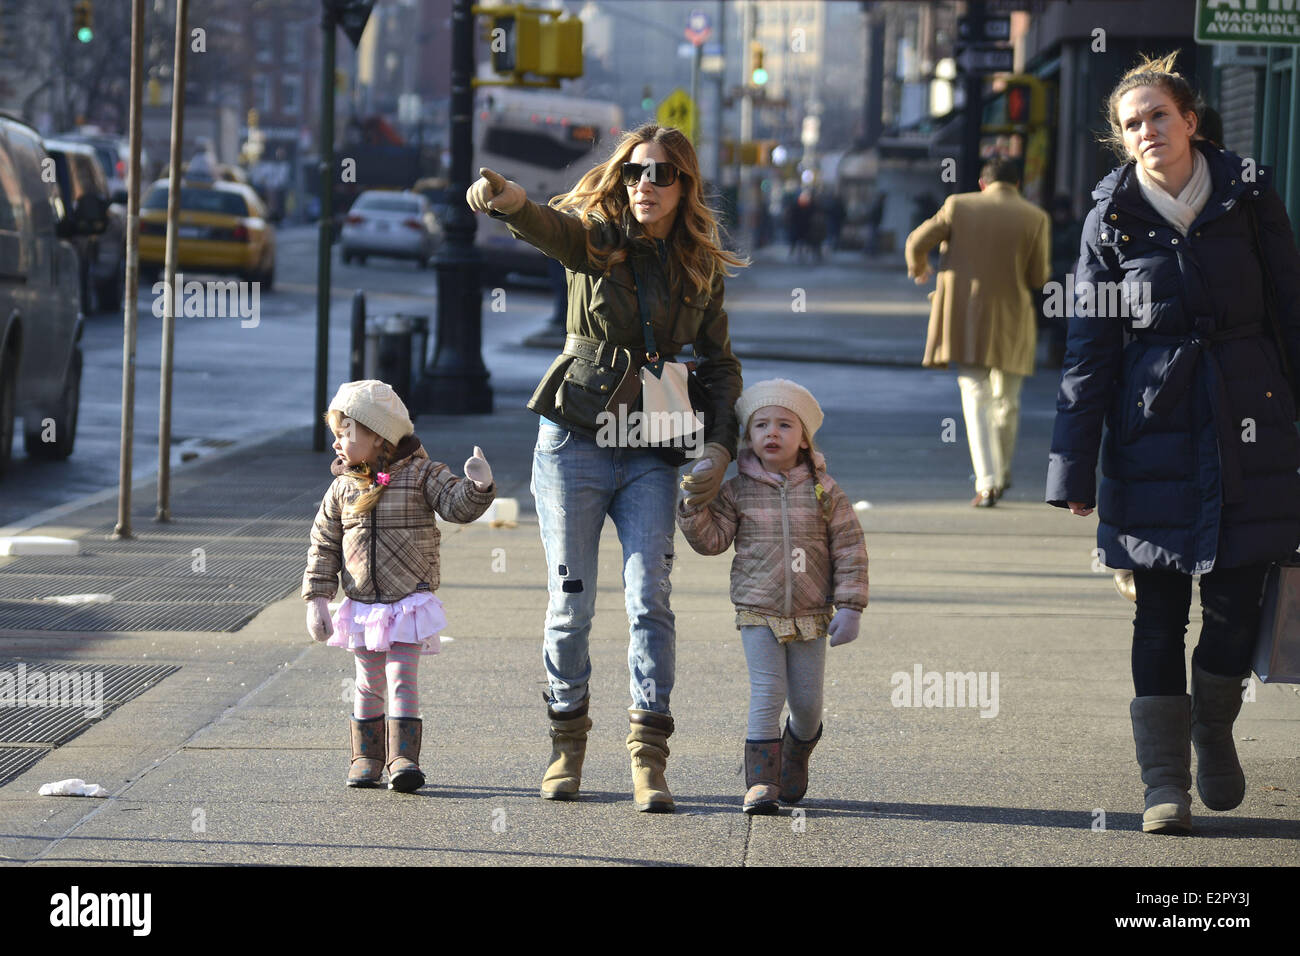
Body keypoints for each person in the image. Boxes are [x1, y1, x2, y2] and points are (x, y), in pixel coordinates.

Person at [1046, 52, 1300, 834]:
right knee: (1157, 614)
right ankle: (1164, 782)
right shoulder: (1107, 221)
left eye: (1159, 115)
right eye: (1132, 124)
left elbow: (1292, 314)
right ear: (1122, 141)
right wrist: (1072, 465)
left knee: (1234, 606)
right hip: (1149, 432)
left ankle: (1213, 730)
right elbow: (1090, 348)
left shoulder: (1251, 198)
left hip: (1249, 425)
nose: (1148, 131)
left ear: (1190, 120)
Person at [465, 124, 748, 812]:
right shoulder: (596, 237)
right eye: (635, 172)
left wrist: (720, 447)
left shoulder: (699, 267)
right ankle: (567, 745)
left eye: (661, 175)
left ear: (685, 186)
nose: (644, 185)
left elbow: (719, 366)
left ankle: (648, 759)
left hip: (653, 448)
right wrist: (505, 198)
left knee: (650, 598)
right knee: (572, 604)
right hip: (576, 441)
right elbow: (546, 227)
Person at [676, 379, 869, 814]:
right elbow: (713, 541)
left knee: (806, 704)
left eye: (785, 424)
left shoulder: (825, 493)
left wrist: (851, 607)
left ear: (804, 439)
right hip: (757, 609)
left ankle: (796, 749)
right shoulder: (737, 490)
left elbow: (850, 548)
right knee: (768, 690)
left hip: (812, 613)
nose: (772, 433)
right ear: (749, 437)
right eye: (762, 424)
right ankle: (762, 782)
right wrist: (692, 507)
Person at [302, 380, 496, 792]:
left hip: (407, 599)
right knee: (368, 682)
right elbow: (323, 544)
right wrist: (319, 599)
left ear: (378, 436)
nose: (337, 443)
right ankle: (366, 758)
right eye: (335, 434)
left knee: (402, 677)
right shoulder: (342, 488)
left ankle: (403, 757)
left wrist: (478, 488)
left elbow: (455, 505)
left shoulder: (423, 475)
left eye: (345, 434)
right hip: (362, 605)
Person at [905, 158, 1052, 507]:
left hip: (965, 318)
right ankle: (1001, 473)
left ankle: (988, 480)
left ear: (983, 184)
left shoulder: (959, 205)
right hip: (1014, 320)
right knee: (1008, 402)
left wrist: (920, 268)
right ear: (1018, 184)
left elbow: (915, 242)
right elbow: (1037, 278)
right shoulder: (1036, 217)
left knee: (975, 393)